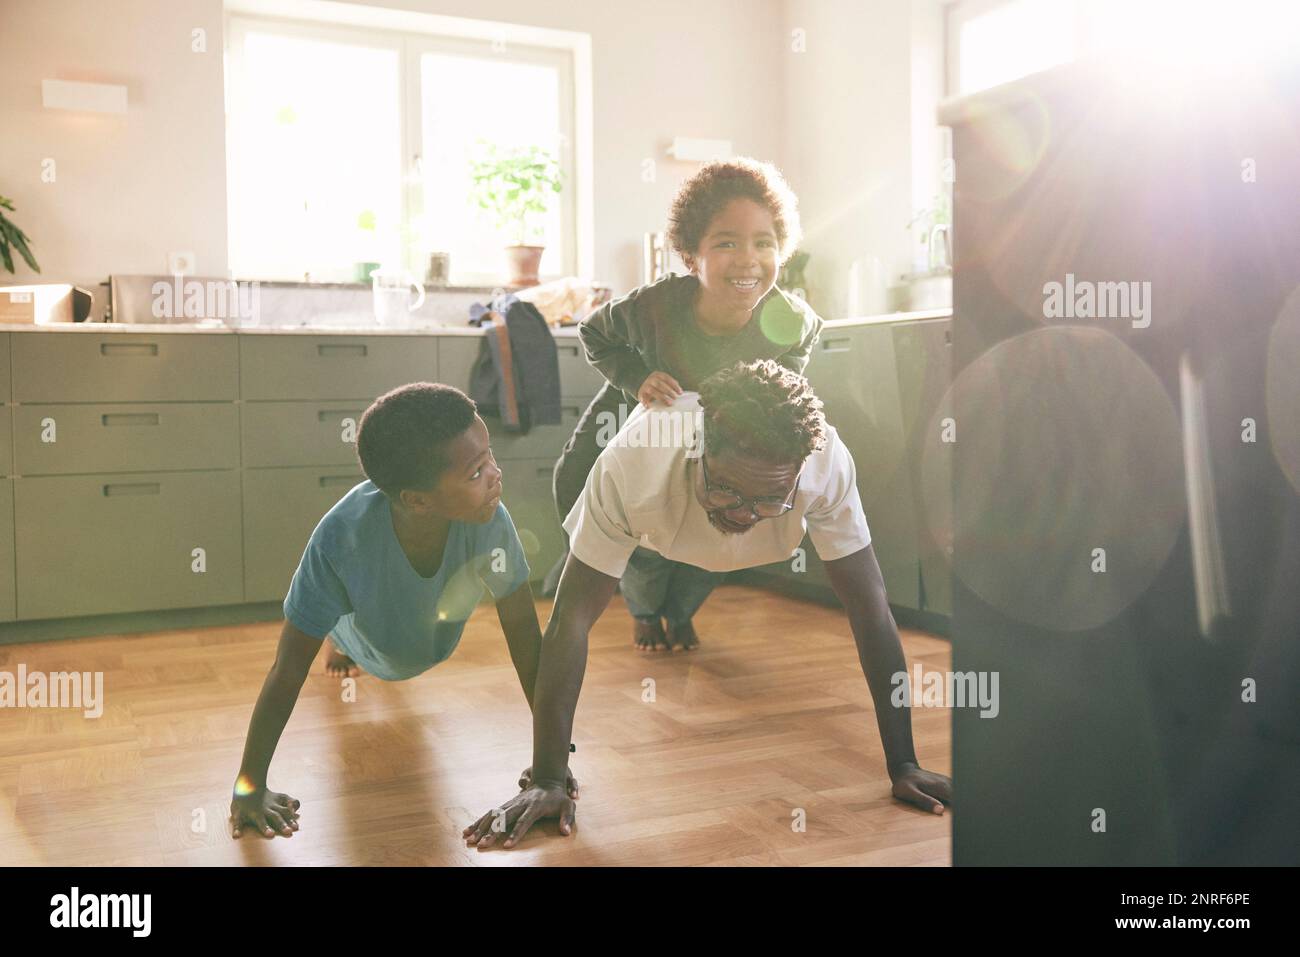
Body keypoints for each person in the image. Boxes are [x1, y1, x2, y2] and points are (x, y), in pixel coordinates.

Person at [464, 360, 954, 849]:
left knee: (721, 557)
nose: (743, 513)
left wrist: (904, 763)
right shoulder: (631, 463)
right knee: (640, 581)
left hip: (707, 525)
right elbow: (570, 619)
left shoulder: (825, 463)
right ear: (702, 452)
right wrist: (550, 775)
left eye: (767, 500)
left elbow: (871, 612)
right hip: (656, 522)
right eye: (726, 490)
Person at [229, 382, 576, 840]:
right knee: (339, 624)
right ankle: (337, 634)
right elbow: (287, 669)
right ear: (416, 499)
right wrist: (248, 788)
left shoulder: (490, 521)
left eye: (489, 456)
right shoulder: (340, 540)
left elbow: (528, 644)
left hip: (430, 635)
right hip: (368, 638)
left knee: (413, 631)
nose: (495, 474)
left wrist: (551, 765)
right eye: (475, 472)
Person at [546, 156, 824, 654]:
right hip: (645, 410)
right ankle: (645, 607)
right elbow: (593, 332)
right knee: (585, 487)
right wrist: (635, 377)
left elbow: (807, 337)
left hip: (720, 426)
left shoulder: (786, 315)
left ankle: (681, 611)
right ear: (691, 256)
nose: (749, 258)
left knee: (719, 518)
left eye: (765, 243)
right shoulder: (653, 306)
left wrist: (775, 385)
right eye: (726, 243)